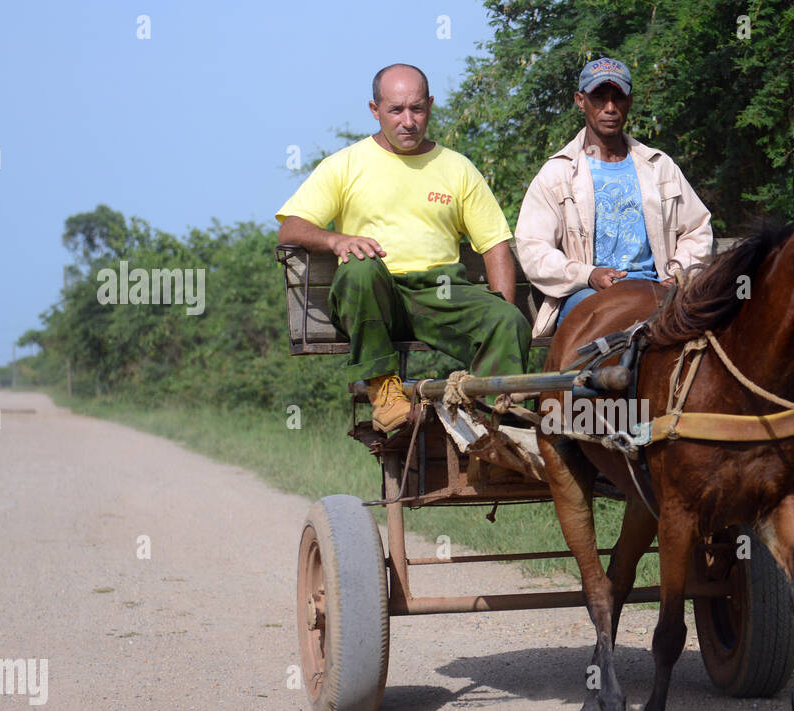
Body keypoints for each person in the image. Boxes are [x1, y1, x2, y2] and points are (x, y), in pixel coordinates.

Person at [276, 63, 531, 433]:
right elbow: (291, 228)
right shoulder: (345, 165)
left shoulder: (457, 168)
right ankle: (383, 390)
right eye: (396, 110)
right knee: (360, 268)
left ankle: (497, 425)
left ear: (430, 105)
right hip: (376, 298)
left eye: (417, 109)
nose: (408, 121)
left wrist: (501, 313)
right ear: (374, 110)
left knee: (508, 318)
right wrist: (336, 240)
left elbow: (494, 246)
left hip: (440, 294)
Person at [515, 57, 713, 336]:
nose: (610, 108)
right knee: (608, 334)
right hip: (589, 295)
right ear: (580, 101)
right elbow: (533, 249)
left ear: (629, 102)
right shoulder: (557, 173)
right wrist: (588, 274)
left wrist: (677, 276)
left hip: (659, 291)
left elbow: (696, 228)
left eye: (617, 98)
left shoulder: (659, 166)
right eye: (599, 98)